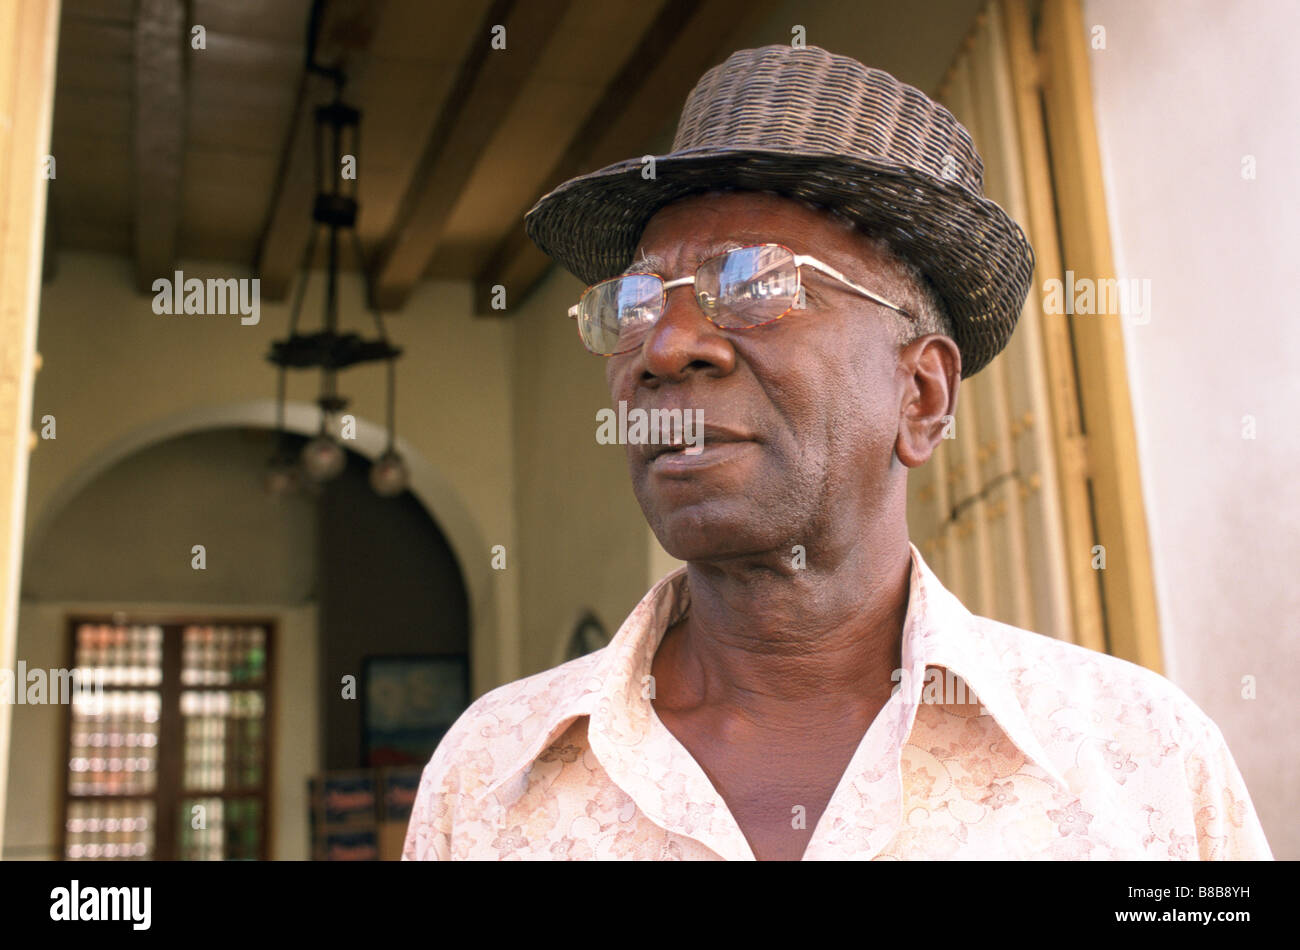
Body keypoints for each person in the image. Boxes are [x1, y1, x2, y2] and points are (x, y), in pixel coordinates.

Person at [402, 44, 1271, 860]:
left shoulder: (1143, 766)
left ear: (922, 397)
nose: (664, 346)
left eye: (755, 283)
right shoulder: (489, 778)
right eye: (632, 302)